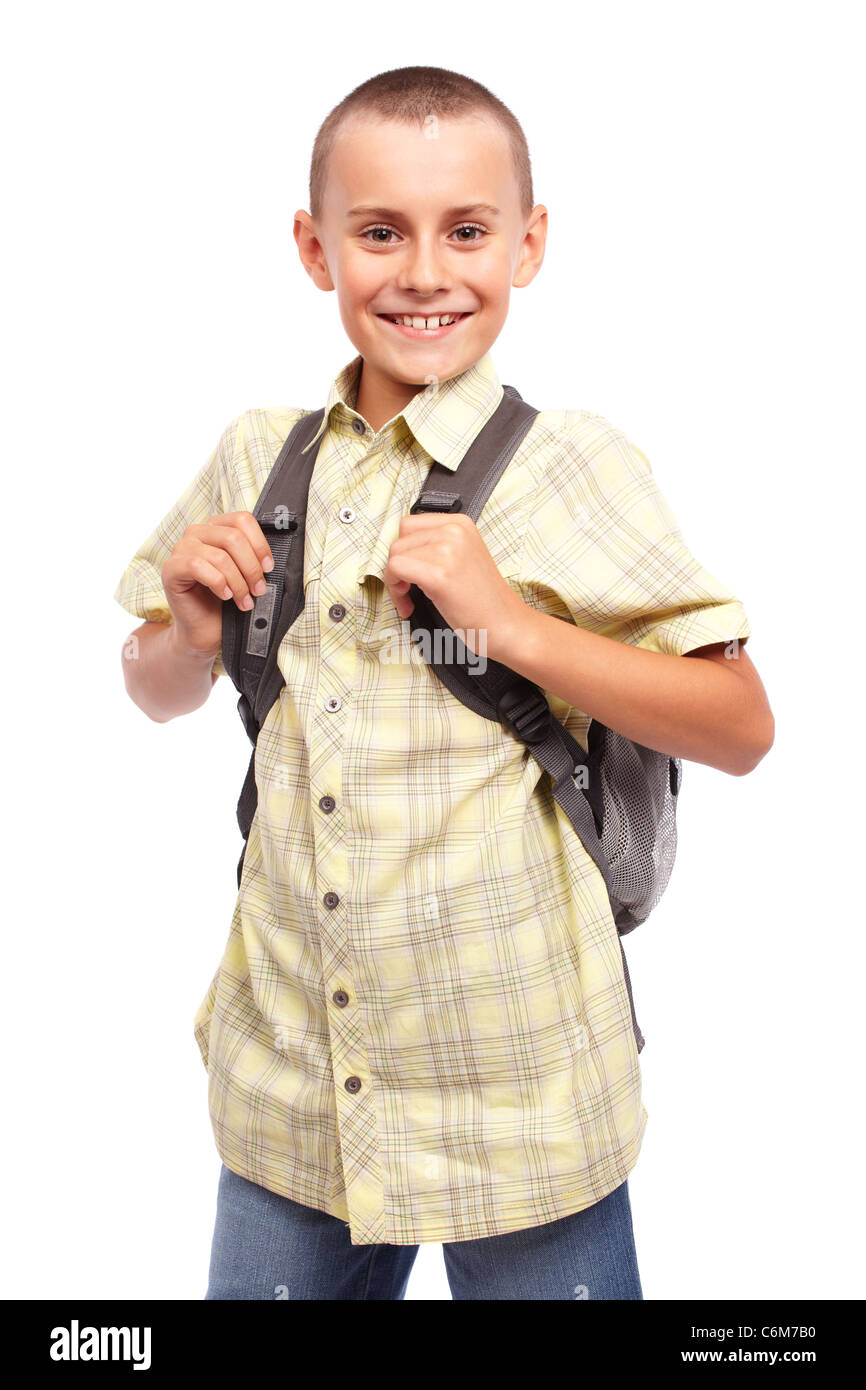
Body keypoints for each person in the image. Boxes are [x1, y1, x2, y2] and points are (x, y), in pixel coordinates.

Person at [114, 65, 774, 1301]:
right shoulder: (261, 456)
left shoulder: (570, 464)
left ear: (527, 245)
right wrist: (189, 625)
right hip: (295, 1088)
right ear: (315, 250)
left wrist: (512, 623)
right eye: (379, 232)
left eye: (466, 230)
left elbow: (739, 726)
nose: (424, 272)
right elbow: (153, 688)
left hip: (520, 1100)